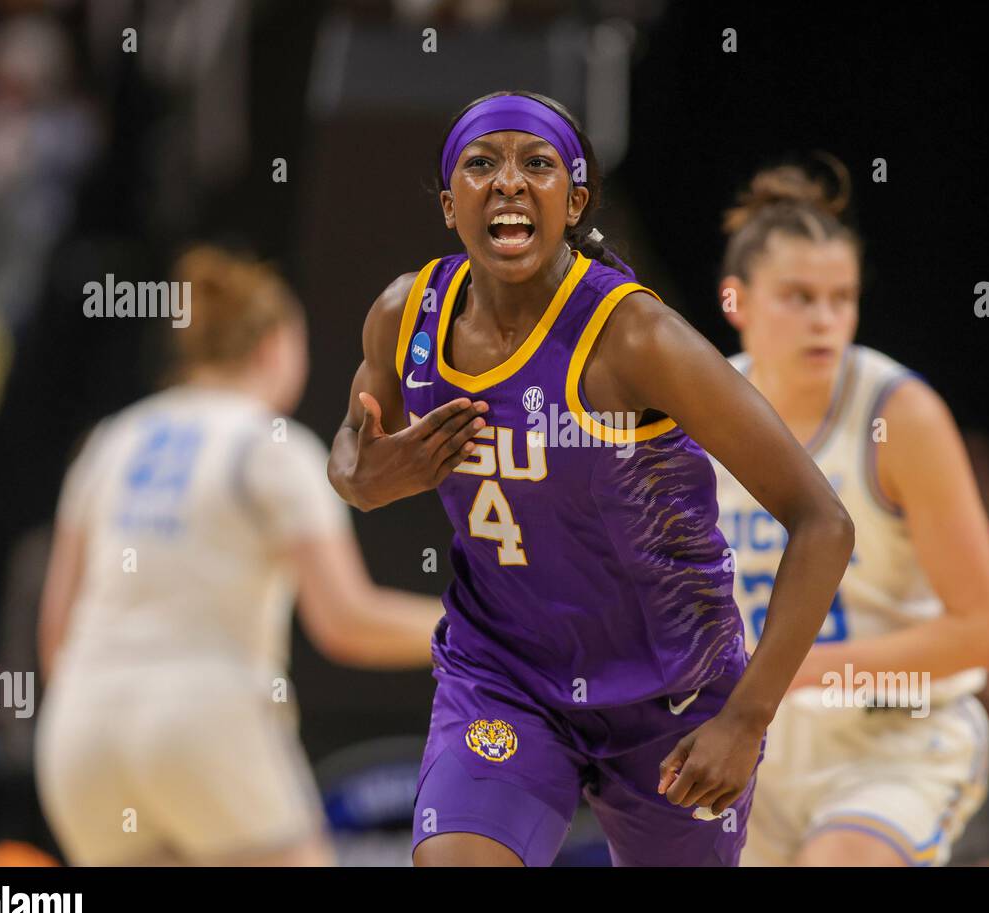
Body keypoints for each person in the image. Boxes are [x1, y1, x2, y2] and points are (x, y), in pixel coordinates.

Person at [327, 90, 854, 867]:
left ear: (573, 202)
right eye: (481, 165)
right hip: (506, 673)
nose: (508, 182)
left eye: (536, 164)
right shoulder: (407, 314)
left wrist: (746, 720)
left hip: (668, 692)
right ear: (449, 203)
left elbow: (823, 522)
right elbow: (351, 454)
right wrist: (364, 476)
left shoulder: (635, 336)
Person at [36, 246, 440, 866]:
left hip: (80, 734)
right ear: (277, 346)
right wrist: (471, 626)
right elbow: (345, 622)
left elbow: (56, 633)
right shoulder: (271, 446)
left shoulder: (108, 441)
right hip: (202, 718)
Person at [712, 161, 989, 866]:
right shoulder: (699, 410)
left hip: (894, 739)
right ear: (737, 301)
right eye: (799, 297)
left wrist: (792, 669)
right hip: (752, 746)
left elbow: (986, 632)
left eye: (841, 298)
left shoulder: (899, 415)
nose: (825, 319)